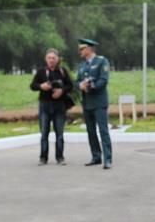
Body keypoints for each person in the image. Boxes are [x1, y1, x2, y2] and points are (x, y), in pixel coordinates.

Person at [30, 47, 73, 165]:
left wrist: (61, 91)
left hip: (59, 105)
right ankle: (43, 157)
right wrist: (41, 86)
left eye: (53, 58)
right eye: (49, 58)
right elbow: (32, 85)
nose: (51, 60)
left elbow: (70, 86)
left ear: (57, 59)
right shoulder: (41, 72)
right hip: (44, 105)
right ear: (46, 59)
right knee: (44, 133)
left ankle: (60, 157)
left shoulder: (62, 71)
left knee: (60, 133)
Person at [76, 38, 113, 168]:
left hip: (99, 102)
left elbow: (104, 80)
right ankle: (96, 156)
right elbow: (77, 81)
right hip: (87, 103)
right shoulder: (82, 66)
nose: (79, 51)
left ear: (89, 49)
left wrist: (91, 86)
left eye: (82, 49)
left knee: (103, 131)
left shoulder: (102, 61)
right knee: (91, 131)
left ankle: (107, 159)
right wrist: (80, 85)